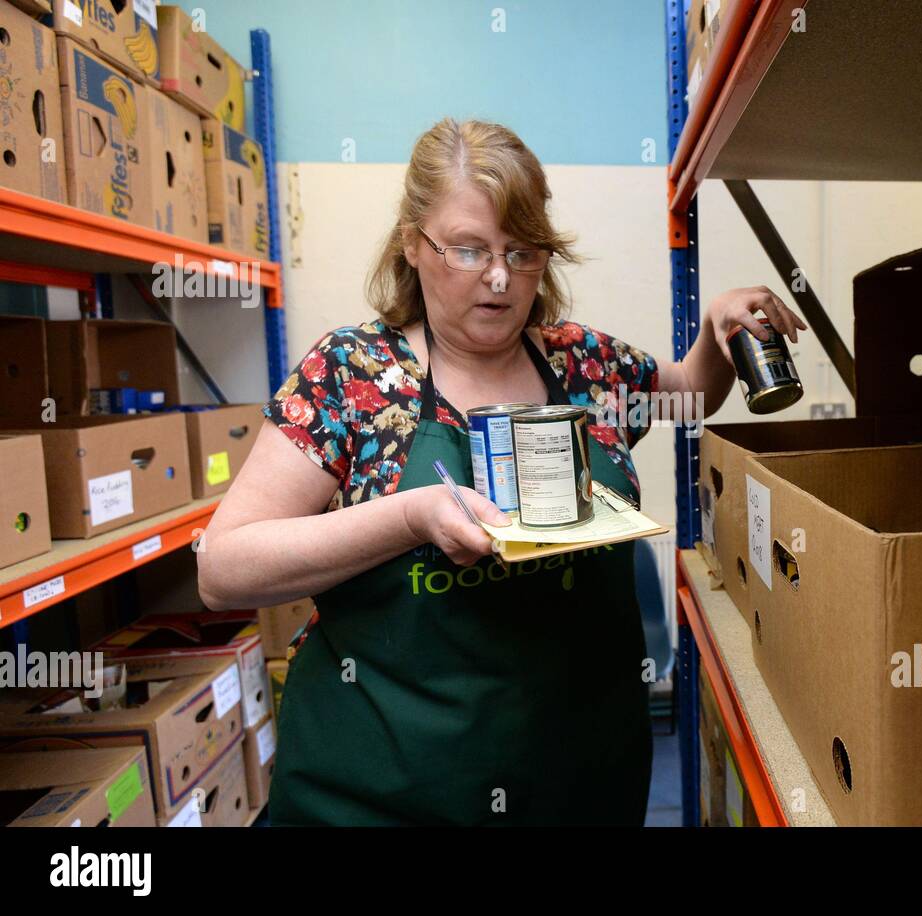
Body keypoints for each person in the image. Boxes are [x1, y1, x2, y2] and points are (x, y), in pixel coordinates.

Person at [196, 117, 806, 826]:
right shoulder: (352, 374)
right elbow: (223, 568)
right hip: (383, 796)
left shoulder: (584, 364)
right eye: (467, 249)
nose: (497, 277)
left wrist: (717, 331)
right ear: (411, 244)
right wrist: (407, 517)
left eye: (522, 253)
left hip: (579, 784)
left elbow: (688, 393)